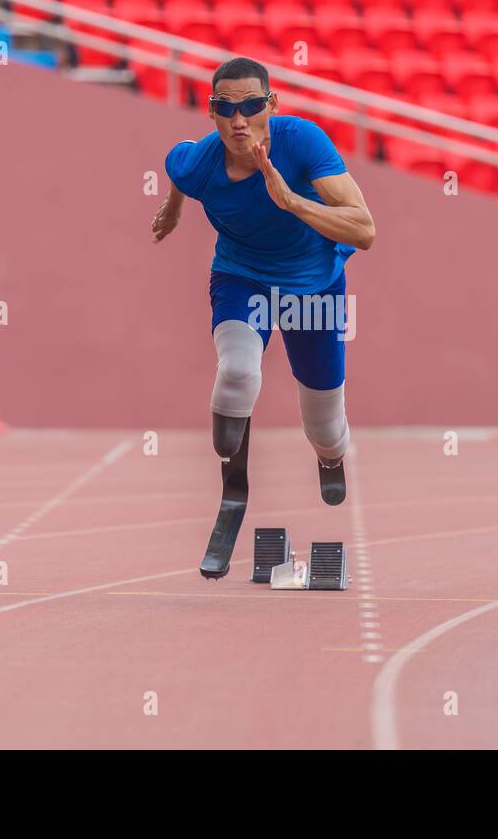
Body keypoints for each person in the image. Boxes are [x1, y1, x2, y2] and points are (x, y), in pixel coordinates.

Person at [152, 57, 375, 580]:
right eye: (226, 108)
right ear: (210, 112)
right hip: (242, 277)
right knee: (236, 373)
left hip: (311, 286)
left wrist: (292, 201)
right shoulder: (200, 164)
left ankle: (329, 456)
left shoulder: (302, 142)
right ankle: (233, 493)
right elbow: (178, 169)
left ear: (271, 105)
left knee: (324, 425)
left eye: (251, 106)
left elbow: (364, 229)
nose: (239, 120)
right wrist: (174, 208)